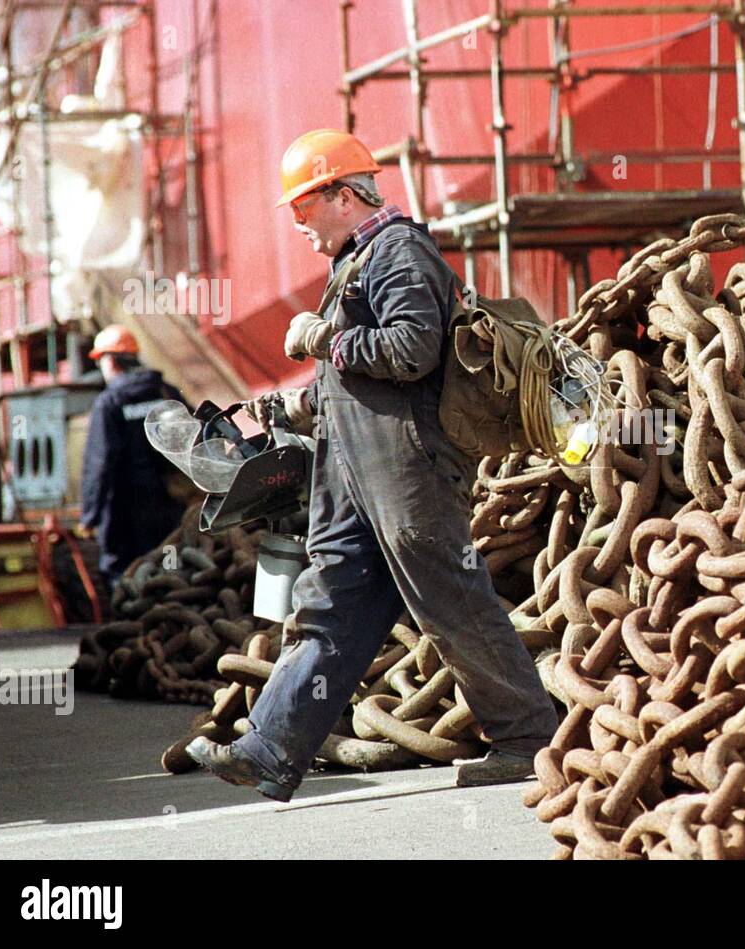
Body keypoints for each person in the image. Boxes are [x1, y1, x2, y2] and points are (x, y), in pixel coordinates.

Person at [186, 129, 559, 799]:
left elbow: (412, 349)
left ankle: (531, 738)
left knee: (450, 597)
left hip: (408, 467)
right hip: (353, 470)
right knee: (329, 604)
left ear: (340, 194)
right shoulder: (355, 260)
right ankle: (271, 746)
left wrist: (327, 336)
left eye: (302, 207)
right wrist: (293, 406)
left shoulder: (399, 250)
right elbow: (361, 374)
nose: (297, 224)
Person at [79, 325, 186, 591]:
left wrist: (89, 516)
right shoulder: (166, 393)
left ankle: (132, 625)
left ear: (111, 361)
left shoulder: (110, 402)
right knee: (168, 569)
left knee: (123, 574)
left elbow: (99, 463)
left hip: (124, 511)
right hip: (168, 505)